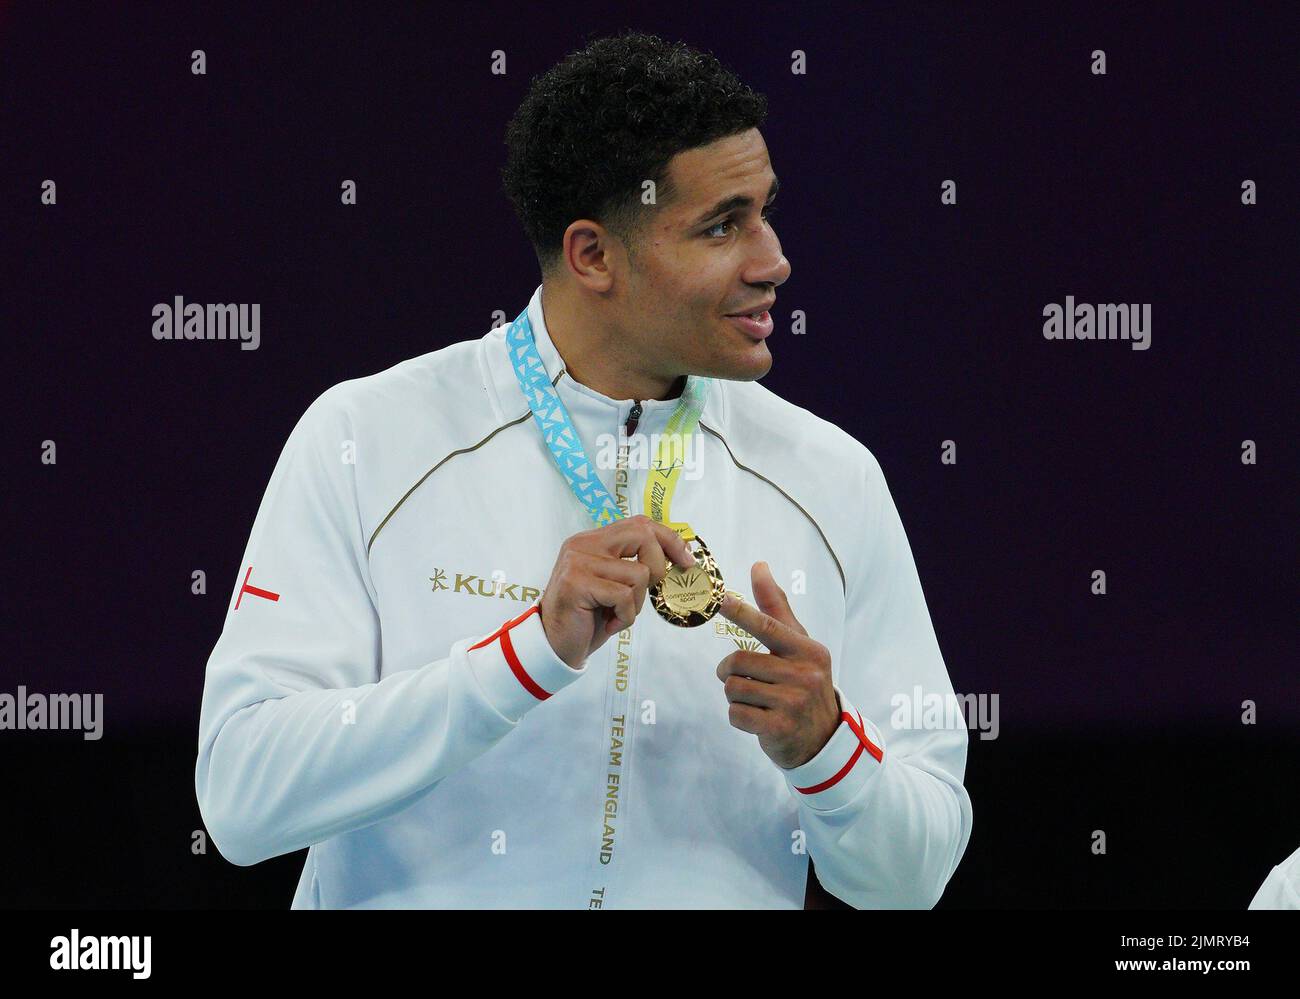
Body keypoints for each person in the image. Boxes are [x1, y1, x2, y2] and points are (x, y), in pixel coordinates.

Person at [194, 30, 972, 909]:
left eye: (765, 211)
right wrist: (524, 657)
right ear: (593, 255)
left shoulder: (834, 479)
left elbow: (916, 877)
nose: (773, 261)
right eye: (724, 225)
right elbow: (240, 797)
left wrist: (830, 749)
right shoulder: (368, 439)